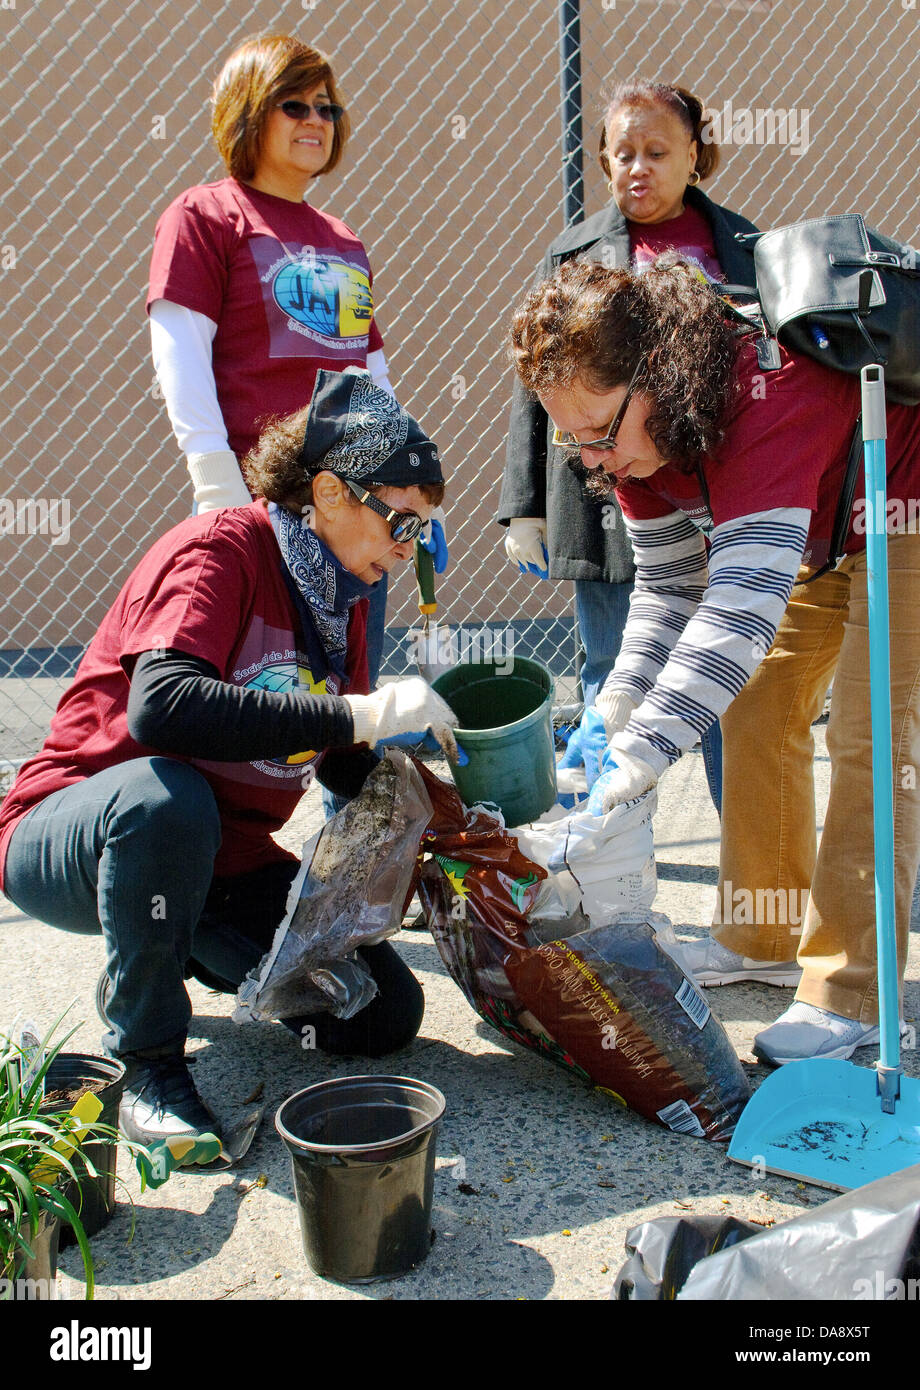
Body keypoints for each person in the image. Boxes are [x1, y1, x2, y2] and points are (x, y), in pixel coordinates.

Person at [0, 371, 459, 1147]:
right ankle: (145, 1061)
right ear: (330, 493)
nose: (411, 548)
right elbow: (163, 705)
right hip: (75, 829)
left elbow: (339, 761)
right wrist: (360, 710)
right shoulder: (221, 548)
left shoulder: (336, 600)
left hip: (219, 860)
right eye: (402, 521)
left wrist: (440, 809)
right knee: (165, 801)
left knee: (378, 1014)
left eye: (422, 530)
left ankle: (169, 942)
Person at [508, 255, 920, 1066]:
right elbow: (669, 589)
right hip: (823, 520)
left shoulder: (769, 394)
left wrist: (647, 749)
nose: (590, 460)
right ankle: (764, 931)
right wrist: (620, 704)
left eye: (599, 434)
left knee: (874, 734)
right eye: (573, 440)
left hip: (904, 496)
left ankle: (856, 995)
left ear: (660, 377)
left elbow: (739, 607)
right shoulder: (634, 440)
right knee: (758, 704)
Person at [498, 80, 759, 810]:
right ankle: (613, 851)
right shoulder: (575, 252)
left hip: (720, 496)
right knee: (615, 663)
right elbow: (535, 382)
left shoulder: (744, 248)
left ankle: (738, 850)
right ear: (605, 165)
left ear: (695, 156)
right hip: (612, 494)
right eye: (623, 155)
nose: (638, 168)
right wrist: (524, 505)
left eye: (657, 151)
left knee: (721, 681)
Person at [147, 31, 409, 692]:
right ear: (249, 111)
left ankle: (356, 802)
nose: (317, 120)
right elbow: (180, 353)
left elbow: (366, 371)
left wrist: (399, 480)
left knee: (349, 710)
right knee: (261, 708)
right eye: (295, 105)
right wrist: (219, 492)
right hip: (260, 506)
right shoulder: (203, 215)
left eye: (327, 108)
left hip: (350, 507)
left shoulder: (343, 238)